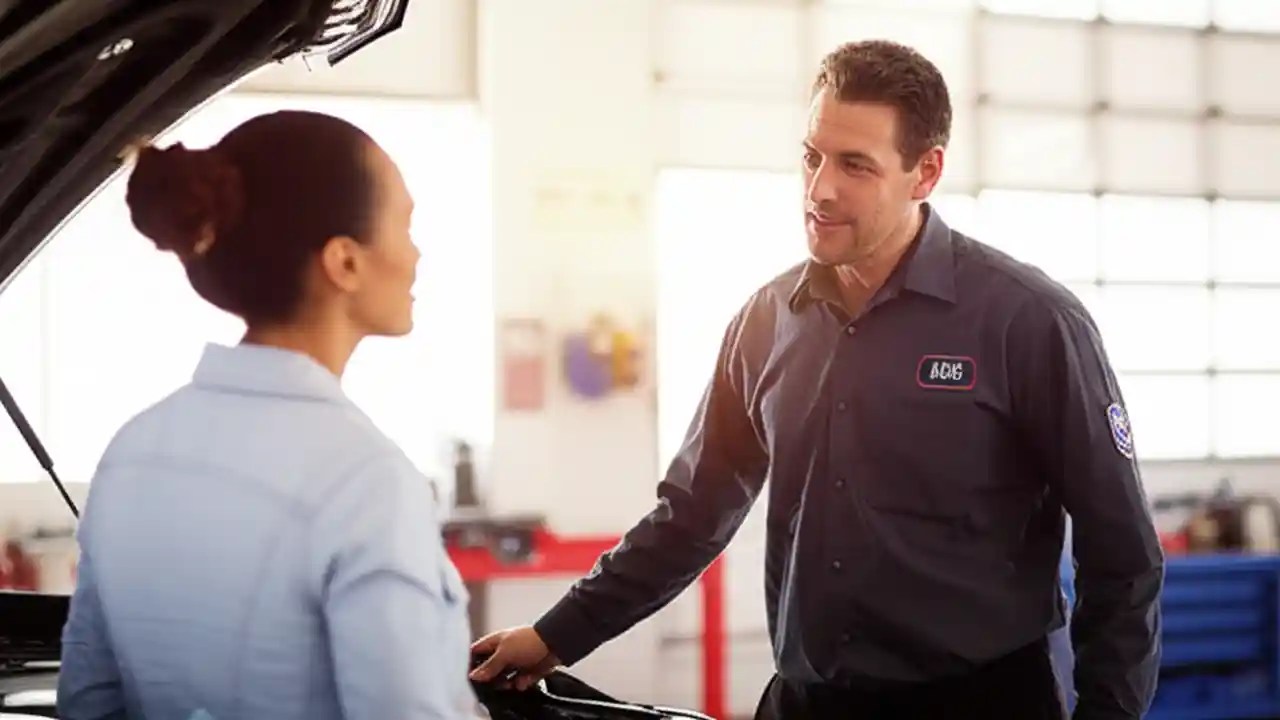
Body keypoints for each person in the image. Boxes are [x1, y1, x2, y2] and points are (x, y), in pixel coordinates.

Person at [469, 40, 1165, 719]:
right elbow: (690, 516)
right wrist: (557, 635)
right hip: (806, 700)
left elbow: (1123, 556)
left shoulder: (1028, 322)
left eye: (855, 165)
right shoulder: (767, 321)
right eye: (811, 156)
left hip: (979, 701)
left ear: (924, 173)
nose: (819, 188)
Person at [57, 111, 480, 719]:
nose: (415, 255)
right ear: (345, 262)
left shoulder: (132, 451)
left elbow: (88, 701)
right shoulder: (366, 483)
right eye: (405, 225)